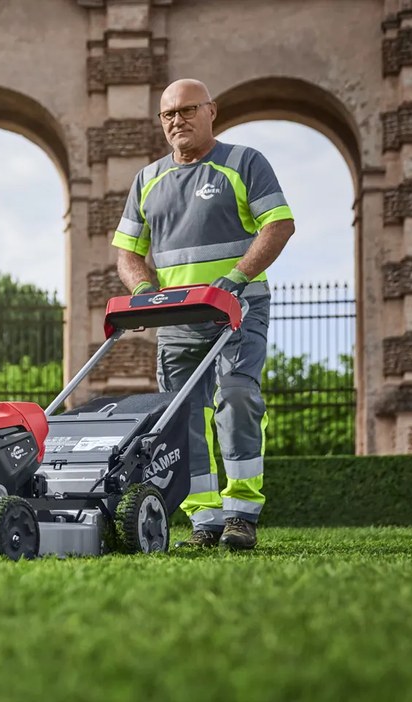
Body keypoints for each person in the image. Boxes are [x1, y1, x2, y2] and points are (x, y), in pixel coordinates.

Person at [111, 78, 295, 550]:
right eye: (169, 114)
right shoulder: (148, 179)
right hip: (177, 318)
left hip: (237, 308)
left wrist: (237, 276)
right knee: (181, 417)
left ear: (211, 111)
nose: (178, 120)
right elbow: (128, 254)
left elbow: (279, 224)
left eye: (188, 110)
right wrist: (146, 290)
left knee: (236, 398)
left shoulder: (243, 162)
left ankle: (241, 513)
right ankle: (204, 519)